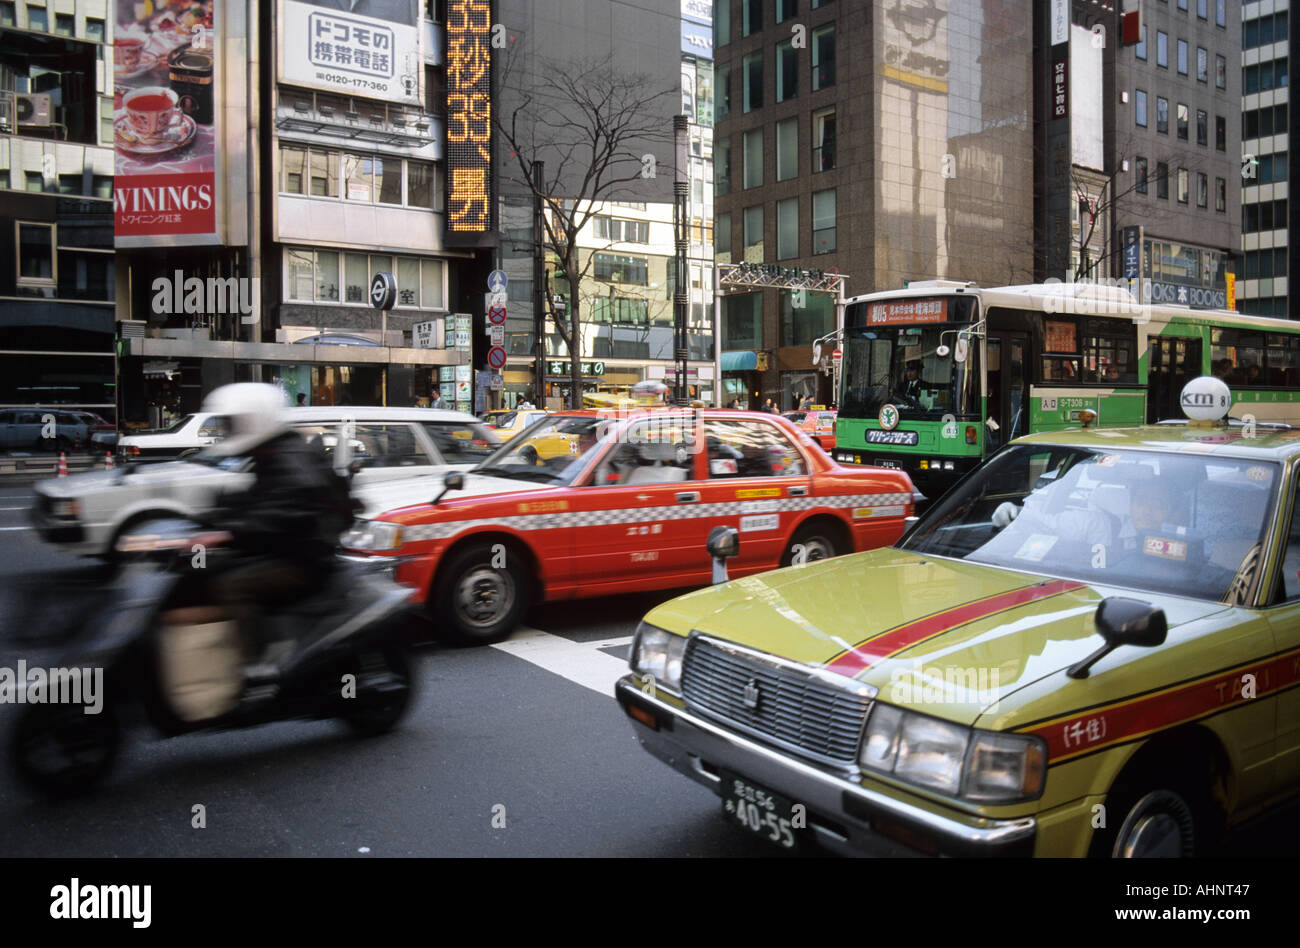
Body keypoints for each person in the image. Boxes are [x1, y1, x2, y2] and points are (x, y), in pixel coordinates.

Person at [192, 383, 359, 677]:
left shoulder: (289, 458)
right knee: (208, 570)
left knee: (231, 586)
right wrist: (207, 522)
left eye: (231, 422)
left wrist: (228, 534)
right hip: (283, 549)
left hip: (303, 560)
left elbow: (282, 512)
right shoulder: (270, 453)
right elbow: (253, 502)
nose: (227, 429)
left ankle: (254, 665)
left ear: (252, 419)